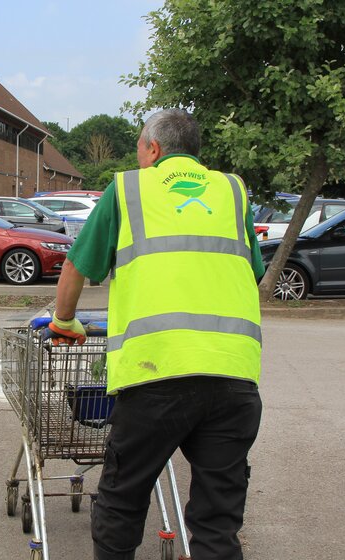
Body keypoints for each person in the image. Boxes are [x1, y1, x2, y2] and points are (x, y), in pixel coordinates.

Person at [47, 108, 266, 560]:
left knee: (123, 499)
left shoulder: (128, 188)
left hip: (155, 375)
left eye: (139, 148)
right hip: (233, 375)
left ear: (153, 148)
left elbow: (77, 266)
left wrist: (64, 322)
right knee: (218, 517)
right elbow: (253, 268)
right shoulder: (233, 191)